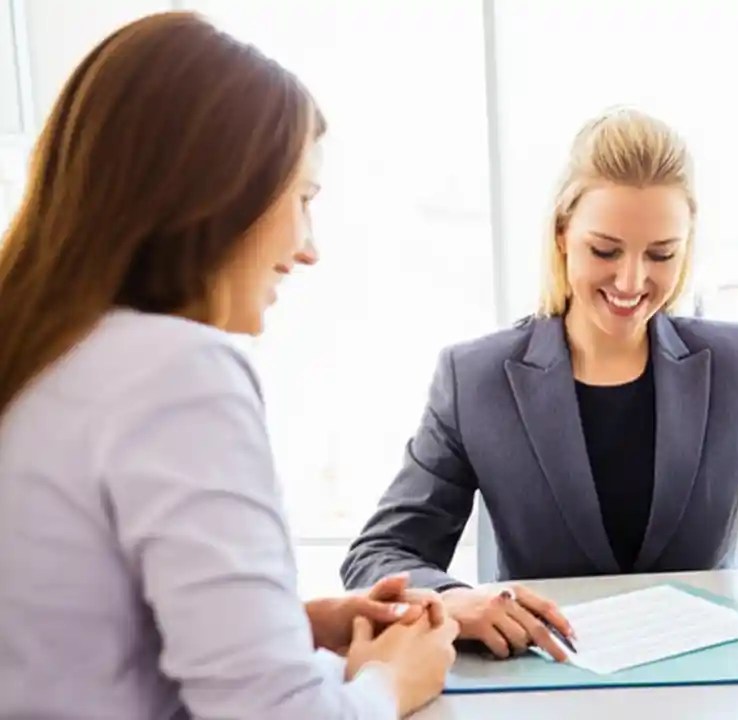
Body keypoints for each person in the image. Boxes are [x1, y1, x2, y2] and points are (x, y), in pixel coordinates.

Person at [0, 12, 457, 719]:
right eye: (303, 199)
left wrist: (296, 624)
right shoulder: (176, 372)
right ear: (220, 189)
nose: (309, 248)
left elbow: (70, 640)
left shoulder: (39, 355)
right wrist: (394, 680)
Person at [341, 108, 738, 663]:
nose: (632, 281)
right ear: (563, 236)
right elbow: (383, 552)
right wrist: (453, 601)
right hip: (542, 685)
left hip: (708, 682)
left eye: (662, 254)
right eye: (605, 250)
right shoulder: (476, 380)